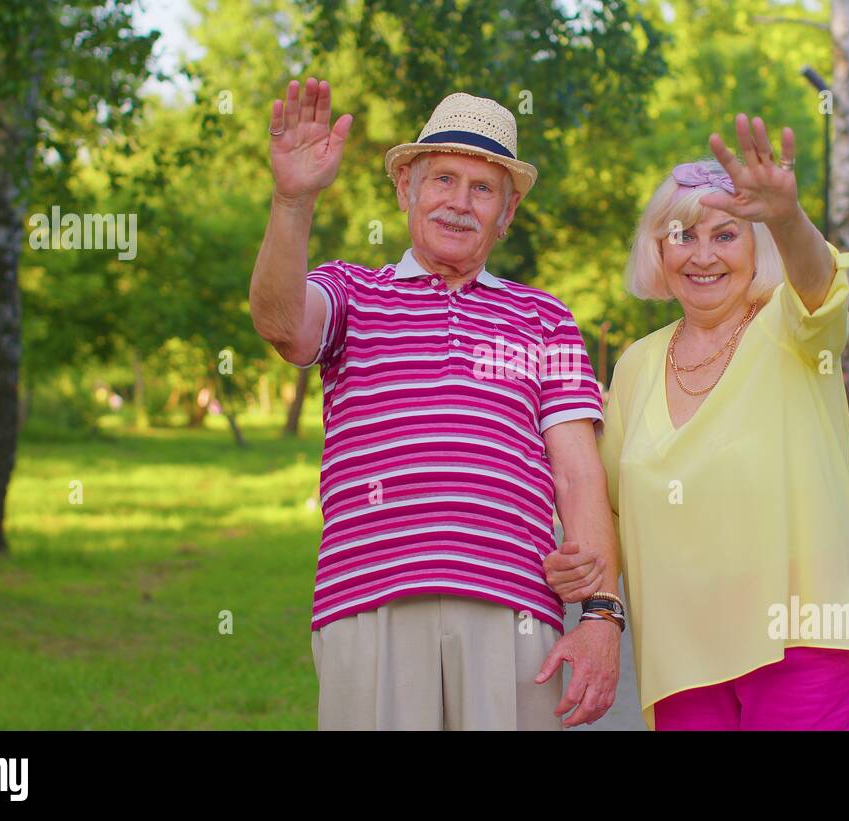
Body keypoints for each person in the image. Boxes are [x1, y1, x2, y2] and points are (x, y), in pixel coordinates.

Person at [248, 79, 621, 730]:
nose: (459, 202)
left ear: (506, 214)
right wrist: (291, 200)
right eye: (443, 178)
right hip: (370, 604)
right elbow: (282, 324)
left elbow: (579, 473)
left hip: (513, 614)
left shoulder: (546, 318)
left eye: (483, 189)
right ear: (407, 190)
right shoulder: (351, 292)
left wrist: (600, 617)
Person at [546, 114, 849, 731]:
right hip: (683, 663)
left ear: (757, 244)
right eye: (681, 235)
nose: (702, 255)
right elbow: (604, 507)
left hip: (805, 644)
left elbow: (822, 289)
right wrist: (578, 568)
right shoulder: (636, 365)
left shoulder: (790, 329)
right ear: (658, 249)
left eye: (727, 235)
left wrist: (787, 217)